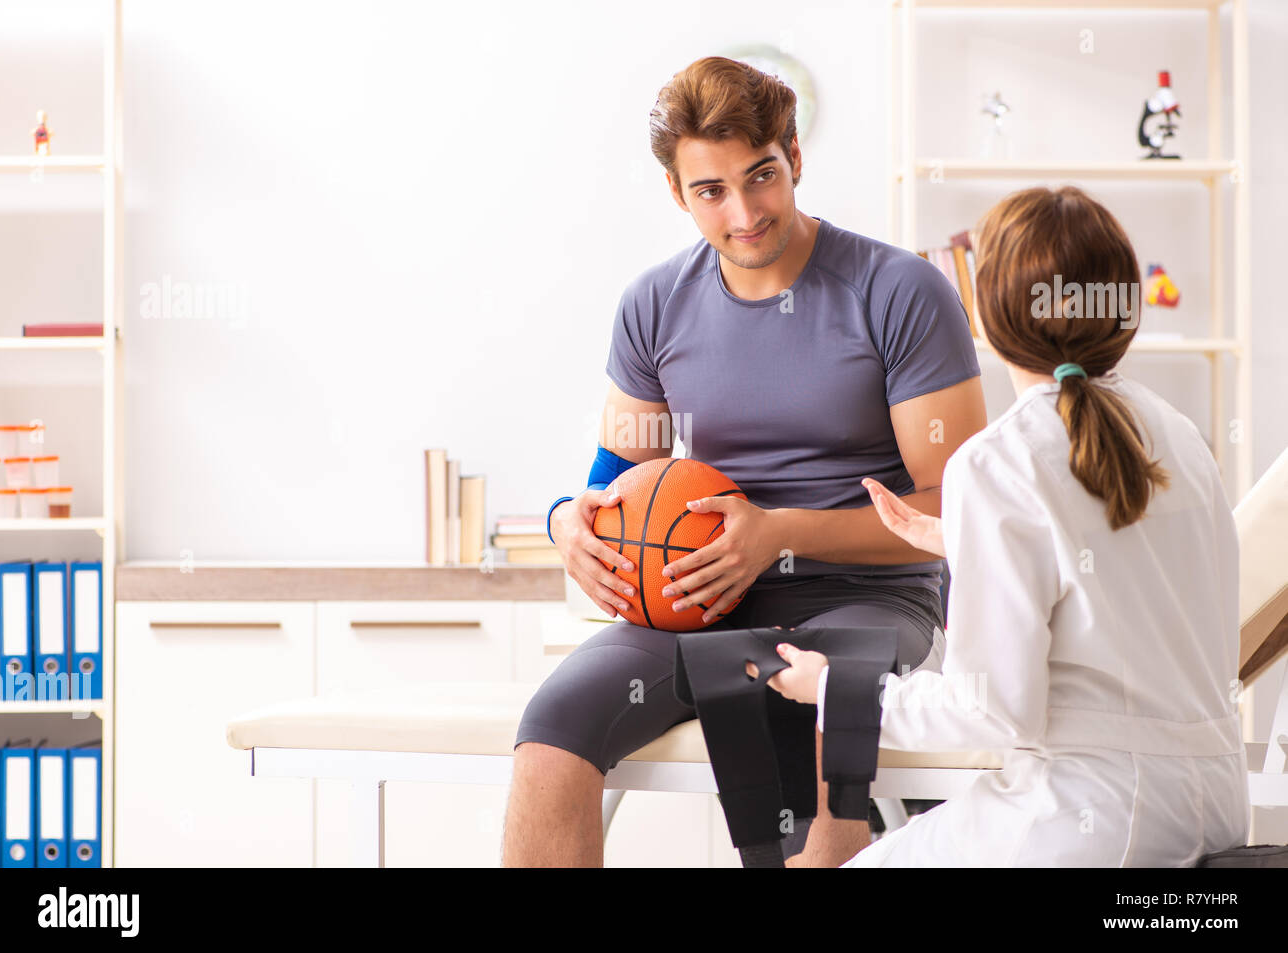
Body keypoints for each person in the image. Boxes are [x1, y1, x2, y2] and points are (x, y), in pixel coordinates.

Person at [500, 56, 987, 867]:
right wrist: (566, 523)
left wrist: (777, 533)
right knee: (552, 734)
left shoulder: (900, 292)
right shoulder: (654, 305)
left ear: (794, 153)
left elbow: (957, 515)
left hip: (868, 600)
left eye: (760, 176)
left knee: (820, 753)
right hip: (698, 601)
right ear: (675, 192)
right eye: (710, 190)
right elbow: (611, 481)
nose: (744, 211)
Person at [768, 185, 1251, 867]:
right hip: (1218, 802)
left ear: (988, 319)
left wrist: (831, 688)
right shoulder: (1181, 436)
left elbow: (991, 710)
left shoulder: (997, 460)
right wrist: (970, 539)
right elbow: (1124, 569)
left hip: (1093, 817)